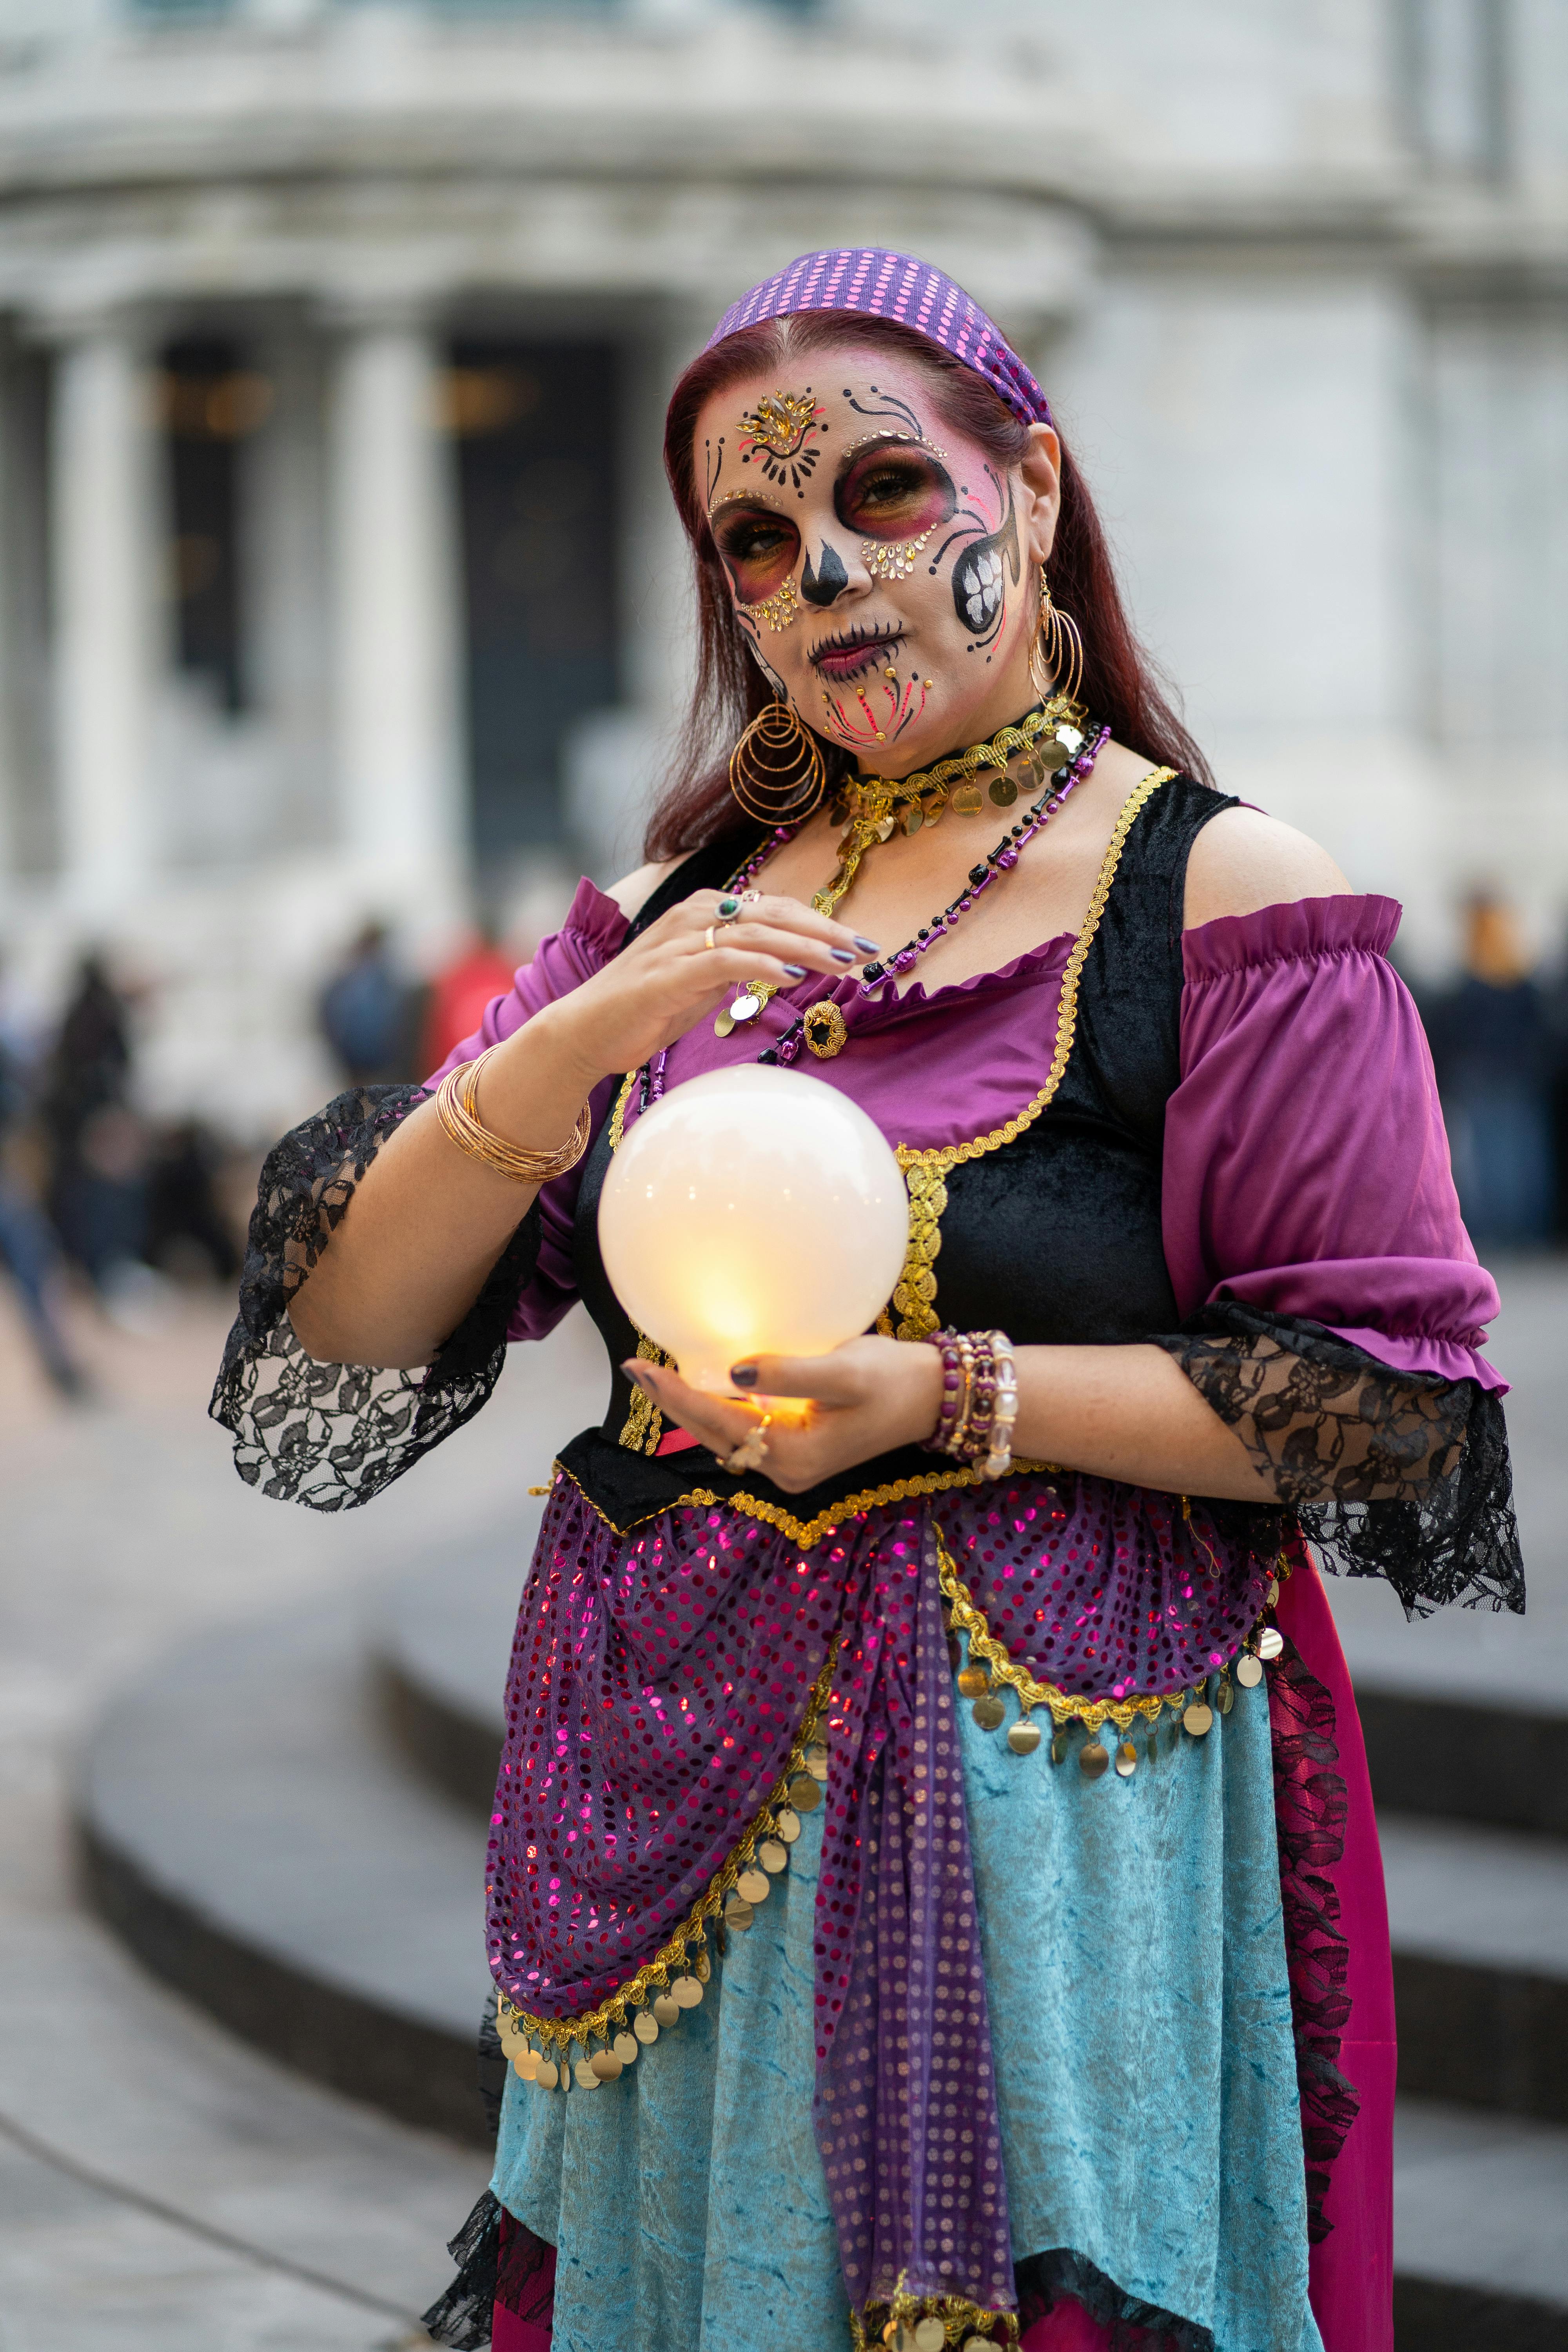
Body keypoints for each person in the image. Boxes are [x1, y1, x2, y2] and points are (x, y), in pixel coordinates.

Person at [214, 251, 1520, 2352]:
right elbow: (346, 1341)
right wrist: (556, 1057)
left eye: (889, 495)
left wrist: (953, 1393)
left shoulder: (1226, 893)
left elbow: (1395, 1409)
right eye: (753, 540)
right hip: (669, 1828)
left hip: (1055, 1846)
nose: (823, 573)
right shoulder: (664, 923)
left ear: (1034, 483)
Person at [1426, 892, 1553, 1249]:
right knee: (1520, 1152)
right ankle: (1526, 1229)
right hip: (1514, 1075)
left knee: (1493, 1155)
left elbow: (1455, 1030)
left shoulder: (1472, 979)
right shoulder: (1520, 978)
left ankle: (1502, 1229)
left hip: (1482, 1076)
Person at [317, 919, 415, 1086]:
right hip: (387, 1063)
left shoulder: (341, 981)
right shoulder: (386, 975)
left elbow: (328, 1021)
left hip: (355, 1068)